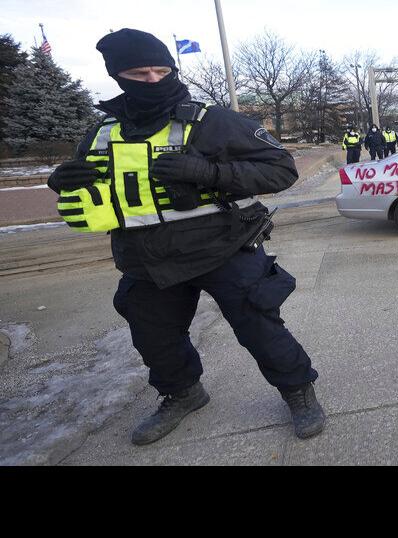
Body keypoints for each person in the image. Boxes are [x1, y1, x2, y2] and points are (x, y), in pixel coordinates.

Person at [46, 29, 325, 446]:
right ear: (117, 75)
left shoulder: (213, 120)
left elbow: (281, 170)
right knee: (154, 336)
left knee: (259, 326)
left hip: (224, 247)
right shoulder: (102, 131)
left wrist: (210, 173)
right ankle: (182, 393)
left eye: (163, 69)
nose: (155, 80)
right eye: (141, 73)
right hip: (145, 258)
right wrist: (62, 180)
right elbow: (98, 186)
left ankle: (298, 391)